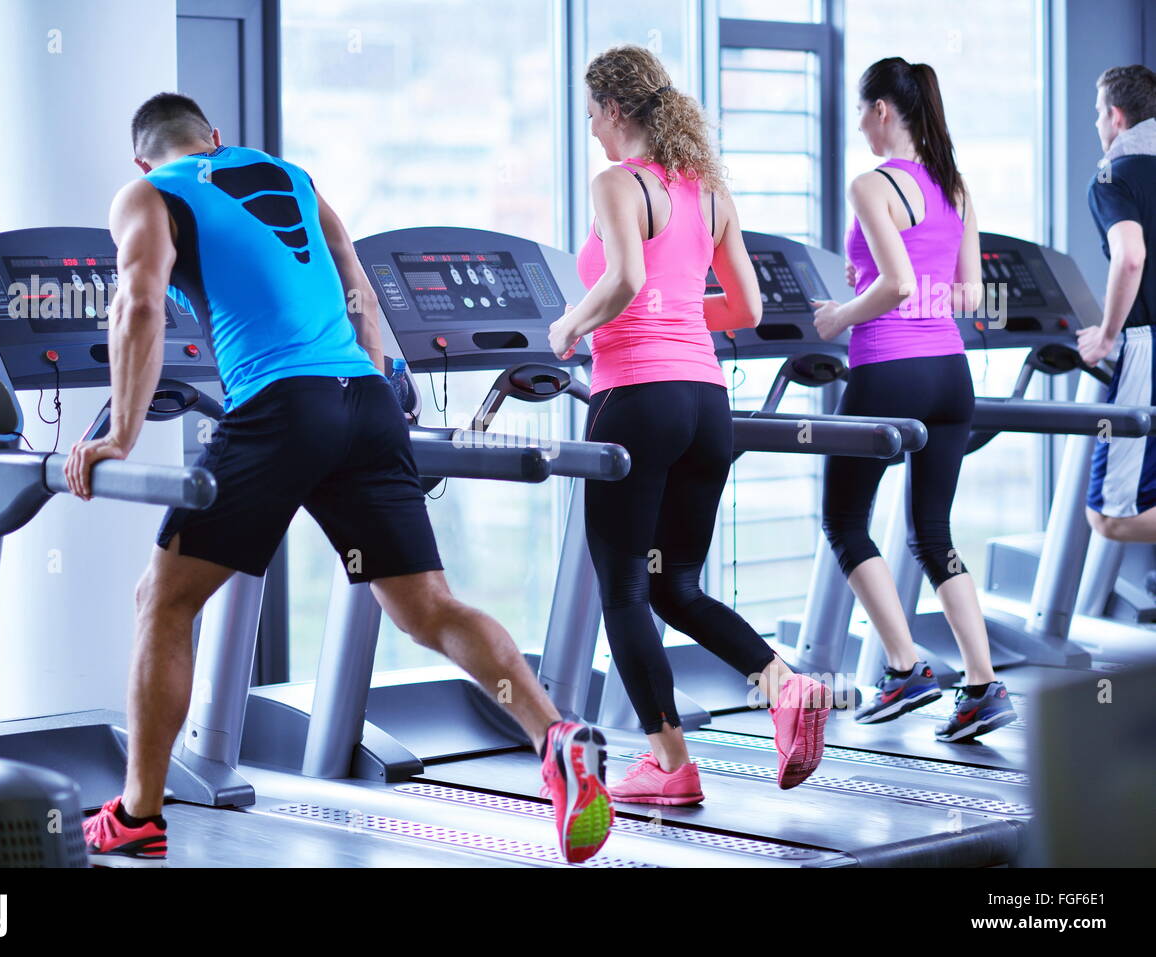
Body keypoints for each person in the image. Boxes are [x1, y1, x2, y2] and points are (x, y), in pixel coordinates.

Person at [68, 93, 612, 863]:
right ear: (216, 137)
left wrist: (119, 432)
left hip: (281, 404)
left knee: (163, 600)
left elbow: (140, 305)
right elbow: (356, 282)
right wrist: (392, 382)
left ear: (142, 158)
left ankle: (138, 814)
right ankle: (551, 731)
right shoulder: (290, 173)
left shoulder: (147, 194)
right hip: (363, 397)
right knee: (428, 605)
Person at [548, 45, 831, 806]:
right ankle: (786, 685)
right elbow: (745, 311)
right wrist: (671, 312)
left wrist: (568, 326)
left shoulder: (618, 183)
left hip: (636, 400)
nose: (593, 133)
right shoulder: (707, 192)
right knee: (674, 583)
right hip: (707, 404)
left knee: (624, 591)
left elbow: (626, 280)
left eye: (592, 116)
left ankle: (670, 762)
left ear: (613, 109)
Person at [812, 57, 1015, 742]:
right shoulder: (953, 184)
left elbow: (896, 286)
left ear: (880, 111)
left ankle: (905, 665)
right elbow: (965, 297)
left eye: (862, 112)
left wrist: (842, 313)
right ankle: (983, 683)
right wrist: (873, 276)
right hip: (949, 376)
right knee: (933, 533)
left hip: (890, 369)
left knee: (843, 519)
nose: (861, 125)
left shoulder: (871, 184)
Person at [1076, 66, 1156, 544]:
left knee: (1110, 516)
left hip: (1146, 345)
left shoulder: (1112, 176)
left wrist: (1107, 335)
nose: (1097, 125)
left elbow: (1130, 258)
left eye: (1097, 114)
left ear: (1116, 116)